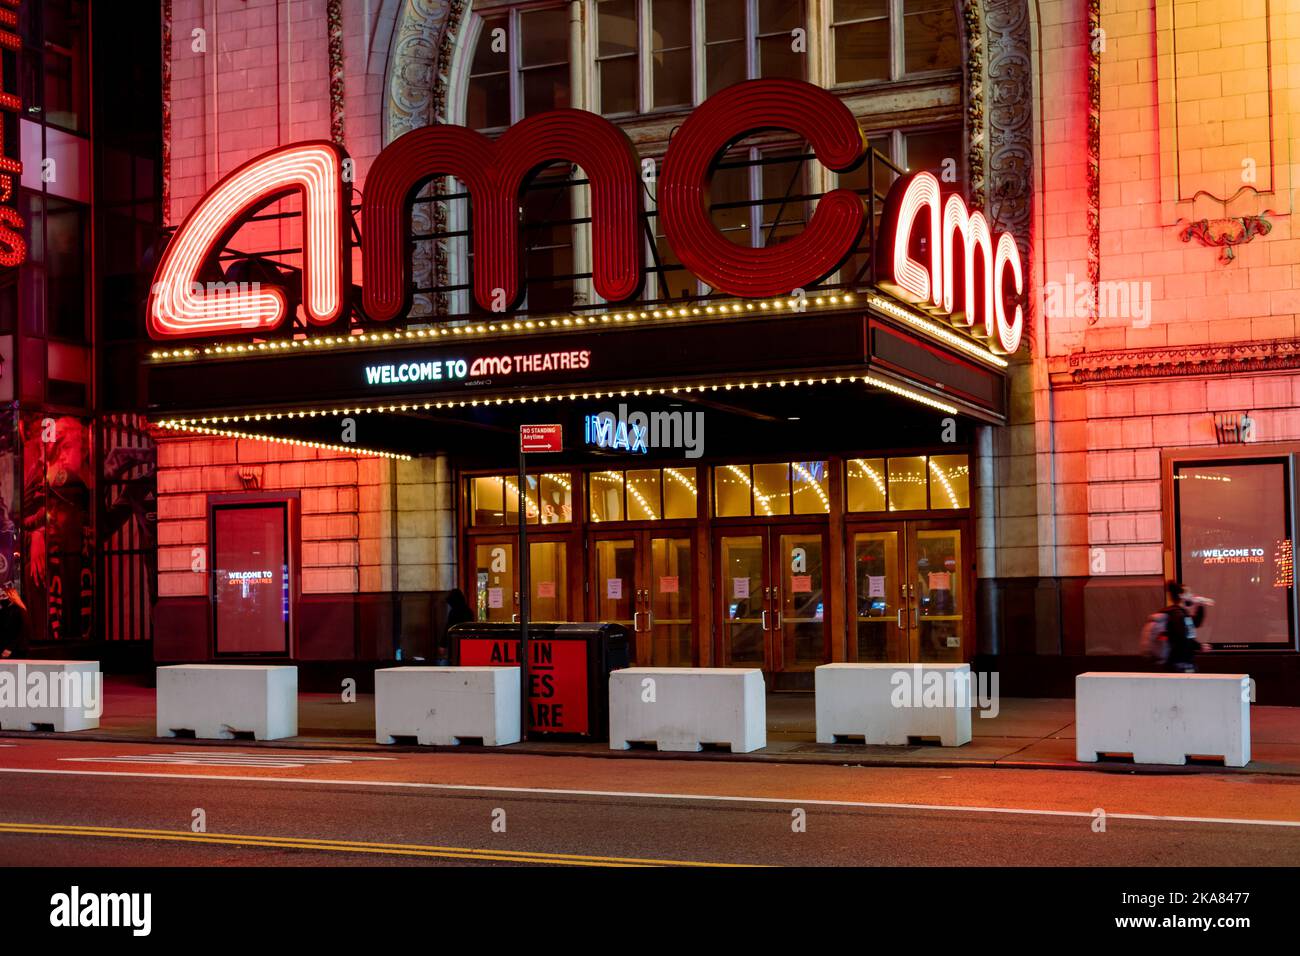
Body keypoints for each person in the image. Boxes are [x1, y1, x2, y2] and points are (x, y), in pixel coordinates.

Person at [1162, 581, 1213, 673]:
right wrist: (1199, 646)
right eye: (1189, 593)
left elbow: (1196, 623)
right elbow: (1184, 636)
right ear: (1181, 596)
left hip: (1183, 661)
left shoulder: (1182, 613)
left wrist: (1200, 605)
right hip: (1179, 663)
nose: (1192, 595)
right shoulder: (1176, 614)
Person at [0, 586, 31, 659]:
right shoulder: (4, 611)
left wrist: (10, 648)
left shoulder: (18, 611)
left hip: (15, 650)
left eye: (3, 595)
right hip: (6, 648)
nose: (1, 598)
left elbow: (21, 632)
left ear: (11, 597)